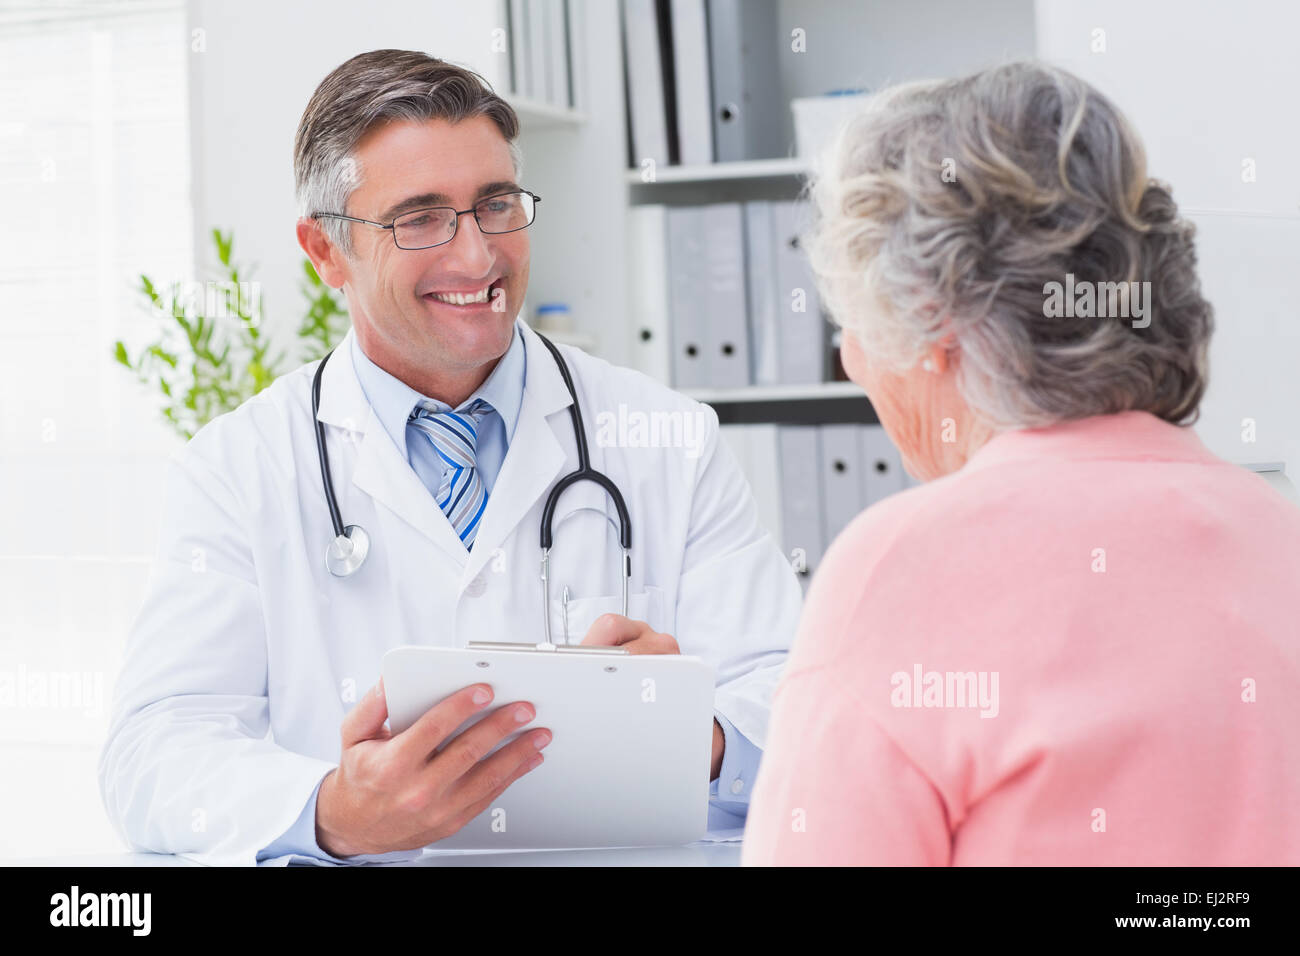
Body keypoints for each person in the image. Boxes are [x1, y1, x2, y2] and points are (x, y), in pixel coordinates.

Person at [99, 49, 800, 866]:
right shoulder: (237, 469)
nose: (477, 257)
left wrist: (695, 734)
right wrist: (334, 813)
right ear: (327, 252)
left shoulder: (669, 437)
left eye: (496, 204)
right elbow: (153, 751)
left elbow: (800, 707)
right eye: (420, 218)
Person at [742, 61, 1300, 865]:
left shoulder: (899, 571)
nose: (852, 361)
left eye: (854, 322)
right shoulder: (1277, 534)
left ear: (932, 323)